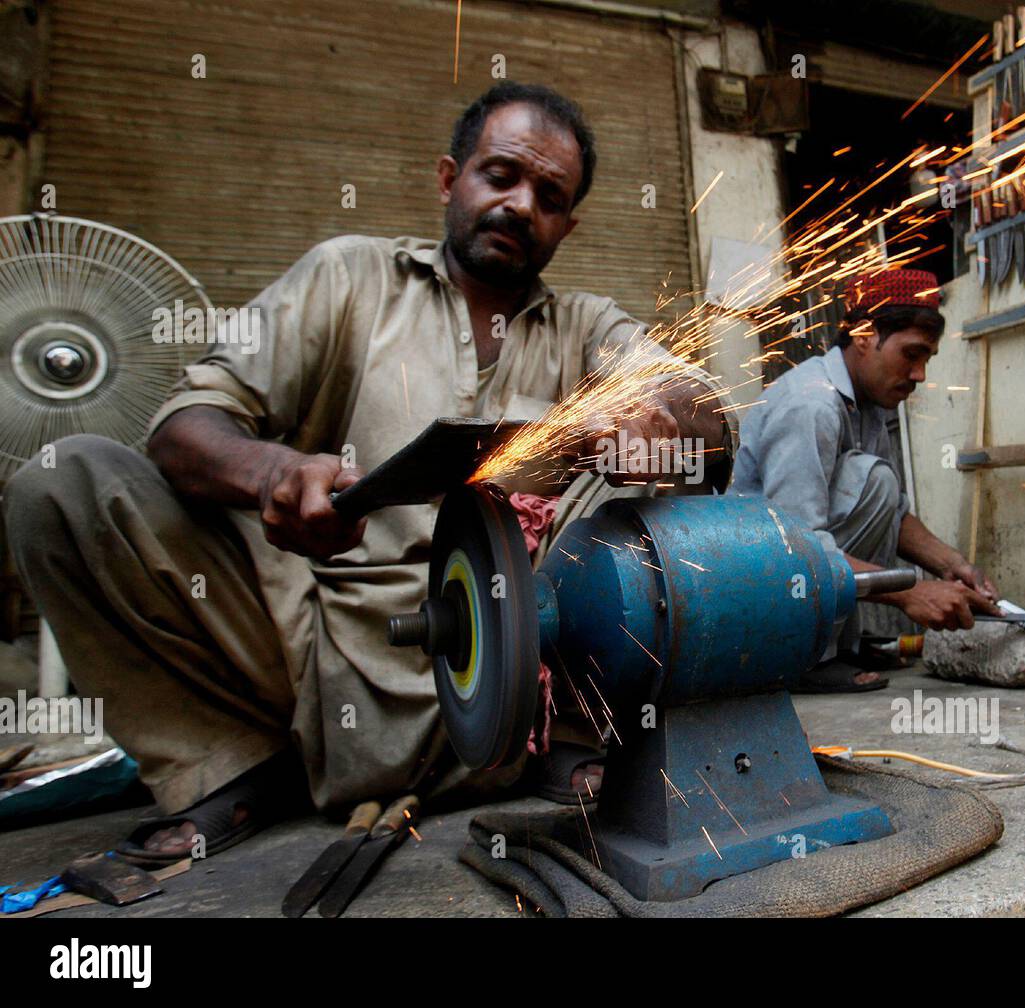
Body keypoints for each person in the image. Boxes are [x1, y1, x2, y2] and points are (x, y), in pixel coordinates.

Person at [2, 82, 731, 861]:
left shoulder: (588, 324)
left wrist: (657, 409)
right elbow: (185, 426)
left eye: (549, 197)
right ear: (450, 178)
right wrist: (273, 473)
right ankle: (231, 764)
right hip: (317, 642)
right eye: (501, 176)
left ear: (569, 223)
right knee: (63, 479)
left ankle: (568, 735)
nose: (521, 205)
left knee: (654, 473)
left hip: (525, 650)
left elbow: (704, 417)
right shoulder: (346, 278)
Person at [729, 269, 1001, 693]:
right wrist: (911, 592)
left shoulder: (869, 404)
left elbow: (893, 513)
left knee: (879, 484)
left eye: (926, 359)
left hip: (792, 568)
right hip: (755, 584)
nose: (919, 375)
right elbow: (795, 545)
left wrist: (953, 566)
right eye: (911, 355)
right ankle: (801, 656)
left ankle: (836, 646)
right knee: (871, 478)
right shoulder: (812, 404)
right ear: (862, 336)